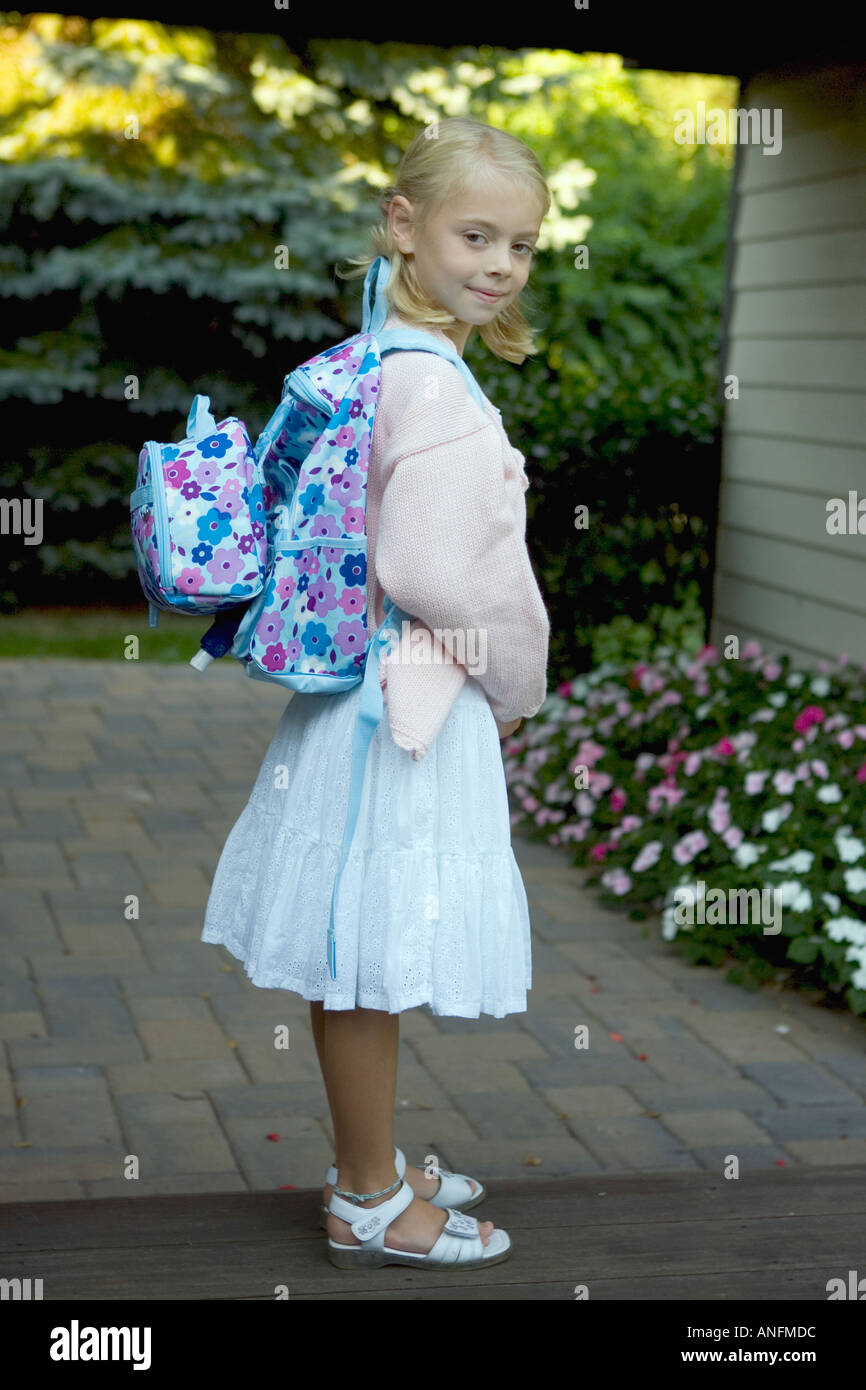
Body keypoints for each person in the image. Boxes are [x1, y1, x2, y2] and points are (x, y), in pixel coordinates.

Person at [201, 117, 551, 1271]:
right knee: (363, 952)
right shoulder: (436, 386)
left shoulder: (378, 352)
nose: (499, 263)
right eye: (475, 233)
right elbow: (434, 570)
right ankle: (365, 1197)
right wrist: (515, 678)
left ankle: (374, 1160)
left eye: (521, 245)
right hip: (399, 708)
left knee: (357, 943)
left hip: (354, 696)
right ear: (402, 225)